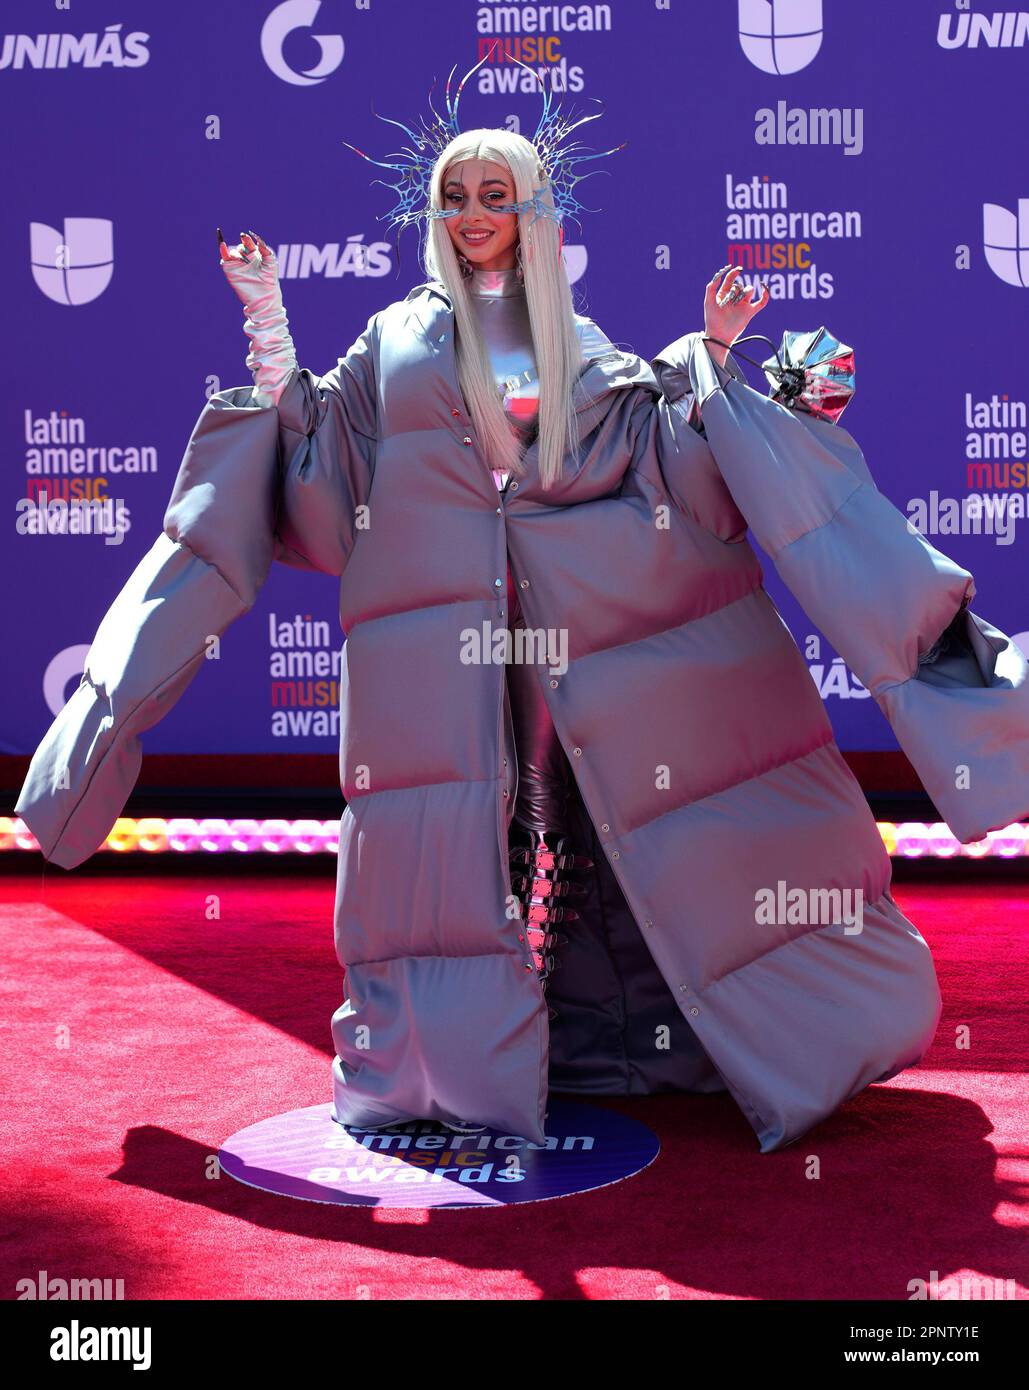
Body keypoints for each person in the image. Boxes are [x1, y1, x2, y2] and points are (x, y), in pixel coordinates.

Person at [17, 108, 1029, 1152]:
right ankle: (474, 1058)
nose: (471, 216)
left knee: (559, 823)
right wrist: (266, 315)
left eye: (494, 197)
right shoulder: (395, 340)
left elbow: (661, 465)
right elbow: (318, 467)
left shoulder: (577, 345)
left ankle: (588, 1031)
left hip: (568, 642)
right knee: (467, 846)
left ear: (532, 211)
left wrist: (716, 355)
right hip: (438, 646)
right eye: (454, 197)